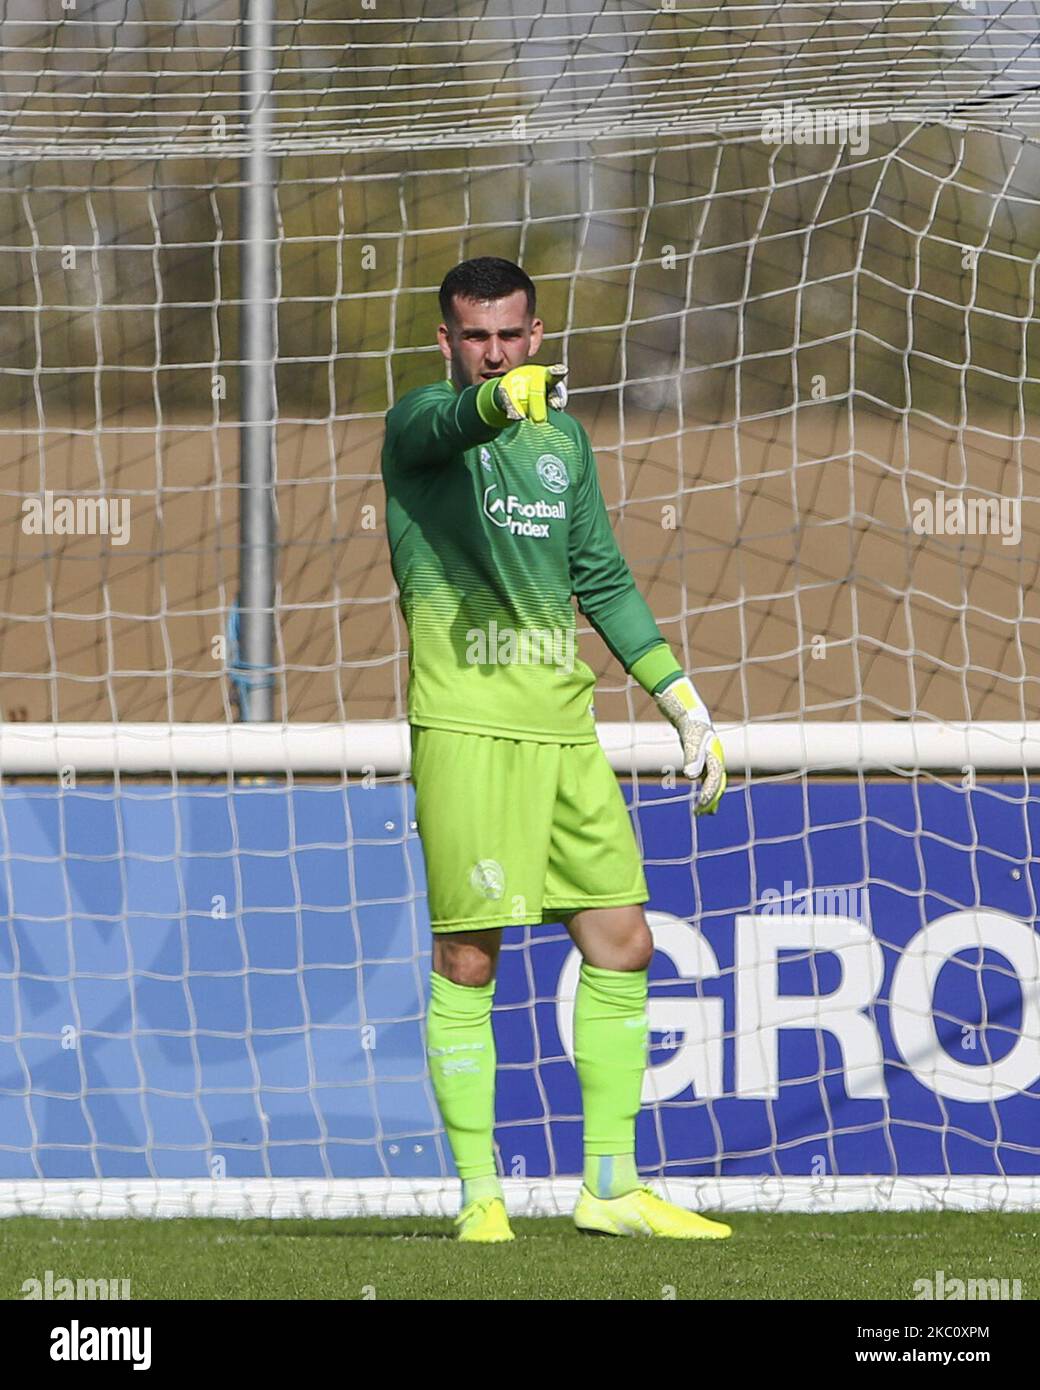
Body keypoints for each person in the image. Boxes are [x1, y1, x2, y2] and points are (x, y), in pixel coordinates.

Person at [380, 256, 731, 1242]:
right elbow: (453, 421)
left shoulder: (564, 443)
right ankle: (479, 1196)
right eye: (473, 336)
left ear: (535, 335)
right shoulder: (418, 431)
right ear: (446, 342)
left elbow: (604, 581)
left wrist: (682, 702)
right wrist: (496, 401)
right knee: (468, 955)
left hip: (564, 728)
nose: (491, 351)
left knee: (624, 941)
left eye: (509, 335)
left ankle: (610, 1187)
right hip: (467, 728)